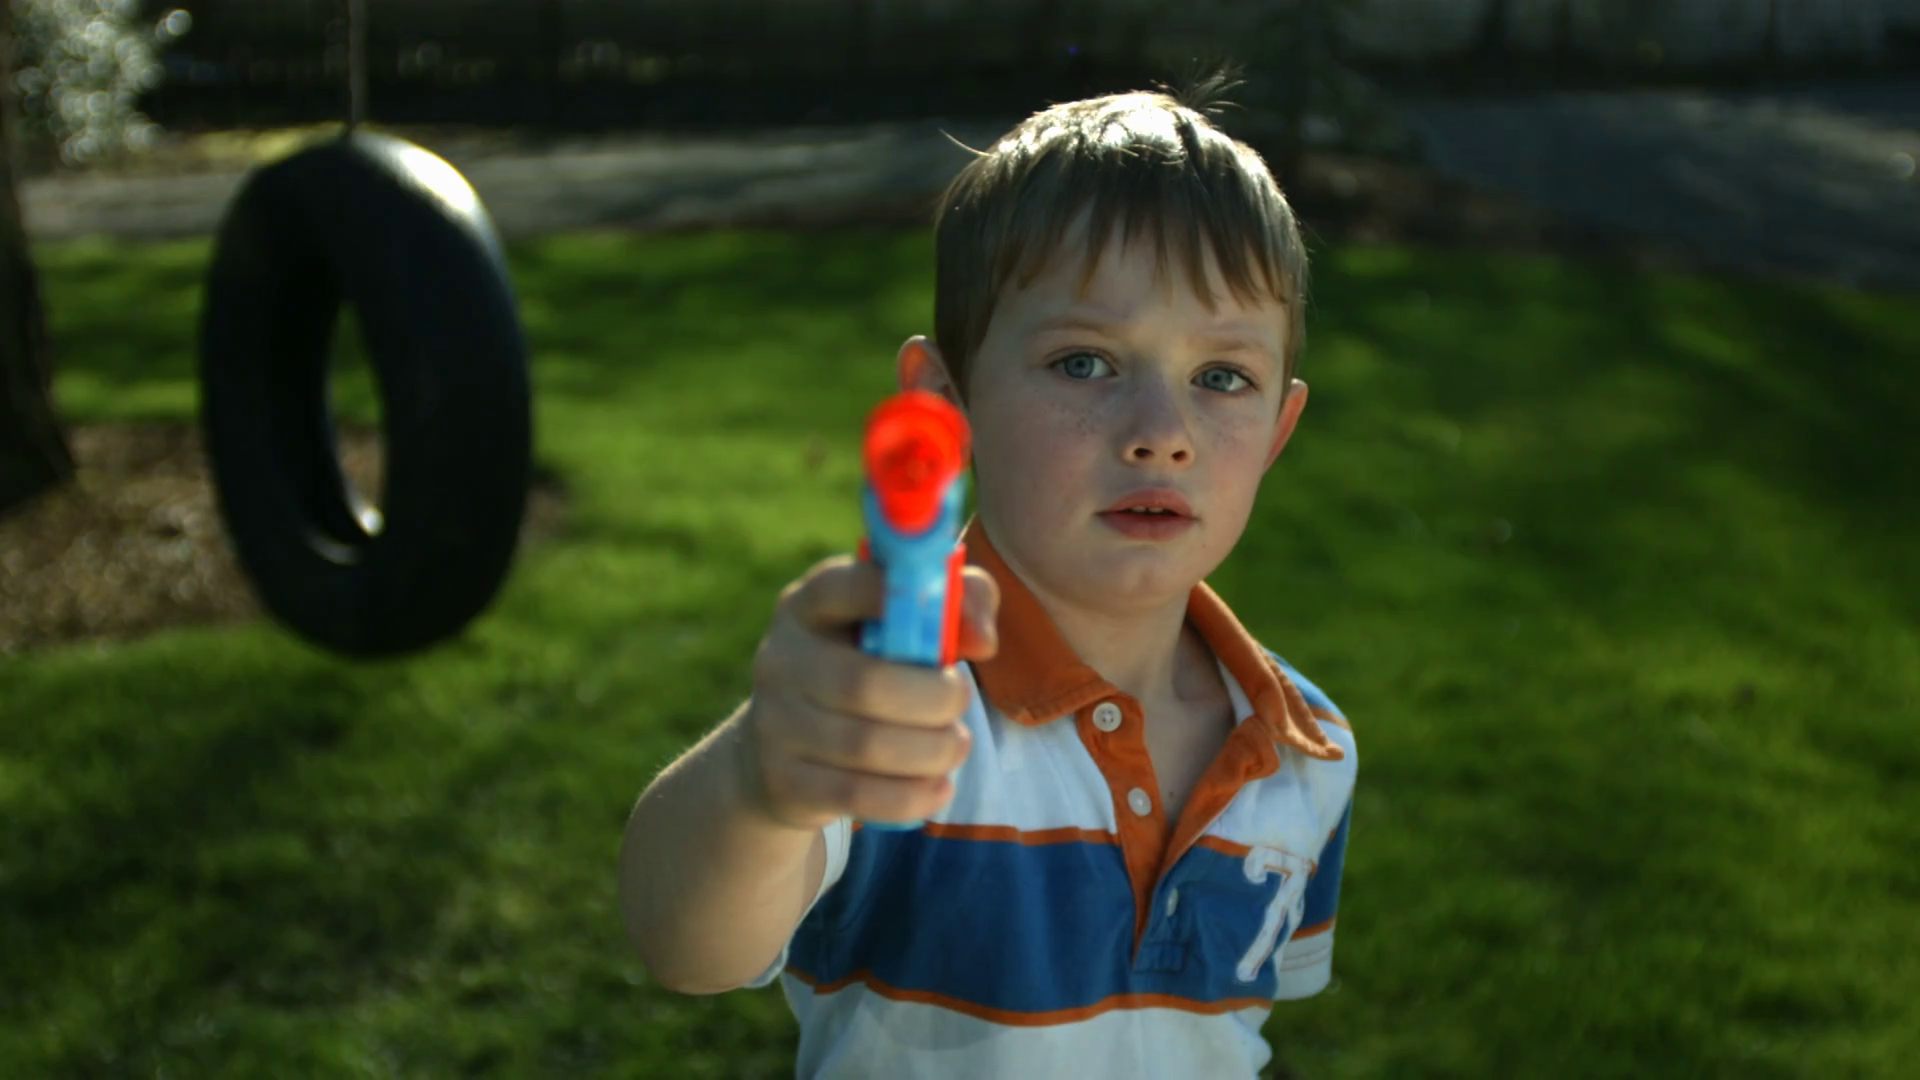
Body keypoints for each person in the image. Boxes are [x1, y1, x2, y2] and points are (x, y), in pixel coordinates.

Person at [619, 71, 1358, 1080]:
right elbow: (688, 947)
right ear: (947, 403)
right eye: (1085, 362)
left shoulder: (1307, 750)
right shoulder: (902, 703)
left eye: (1220, 378)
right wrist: (762, 778)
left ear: (1277, 430)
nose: (1161, 436)